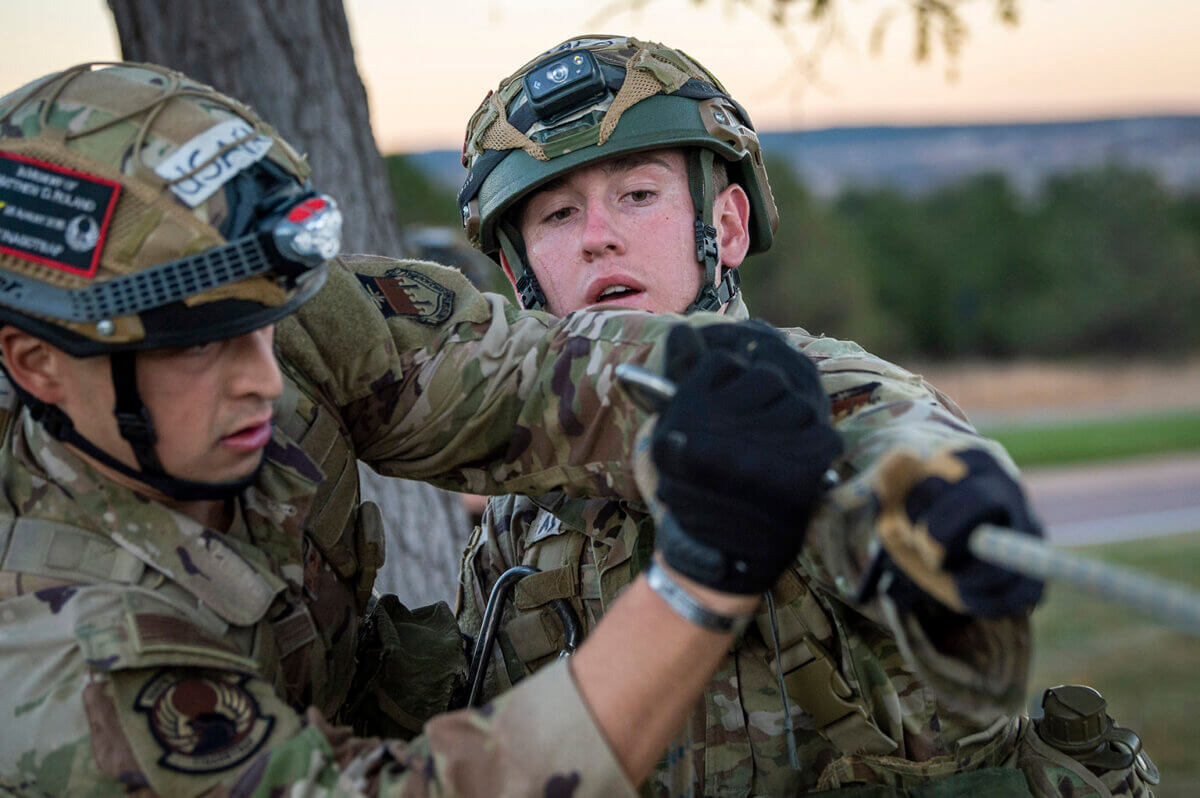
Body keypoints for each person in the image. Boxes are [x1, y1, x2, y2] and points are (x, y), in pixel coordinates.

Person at [0, 62, 848, 796]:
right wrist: (696, 587)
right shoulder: (67, 668)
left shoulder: (239, 317)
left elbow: (518, 375)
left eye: (265, 327)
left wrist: (754, 395)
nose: (266, 378)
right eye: (200, 351)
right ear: (38, 365)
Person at [456, 36, 1157, 798]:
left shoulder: (822, 393)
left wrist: (945, 495)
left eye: (637, 194)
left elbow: (899, 434)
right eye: (558, 213)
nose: (597, 235)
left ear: (724, 227)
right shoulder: (527, 503)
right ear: (521, 278)